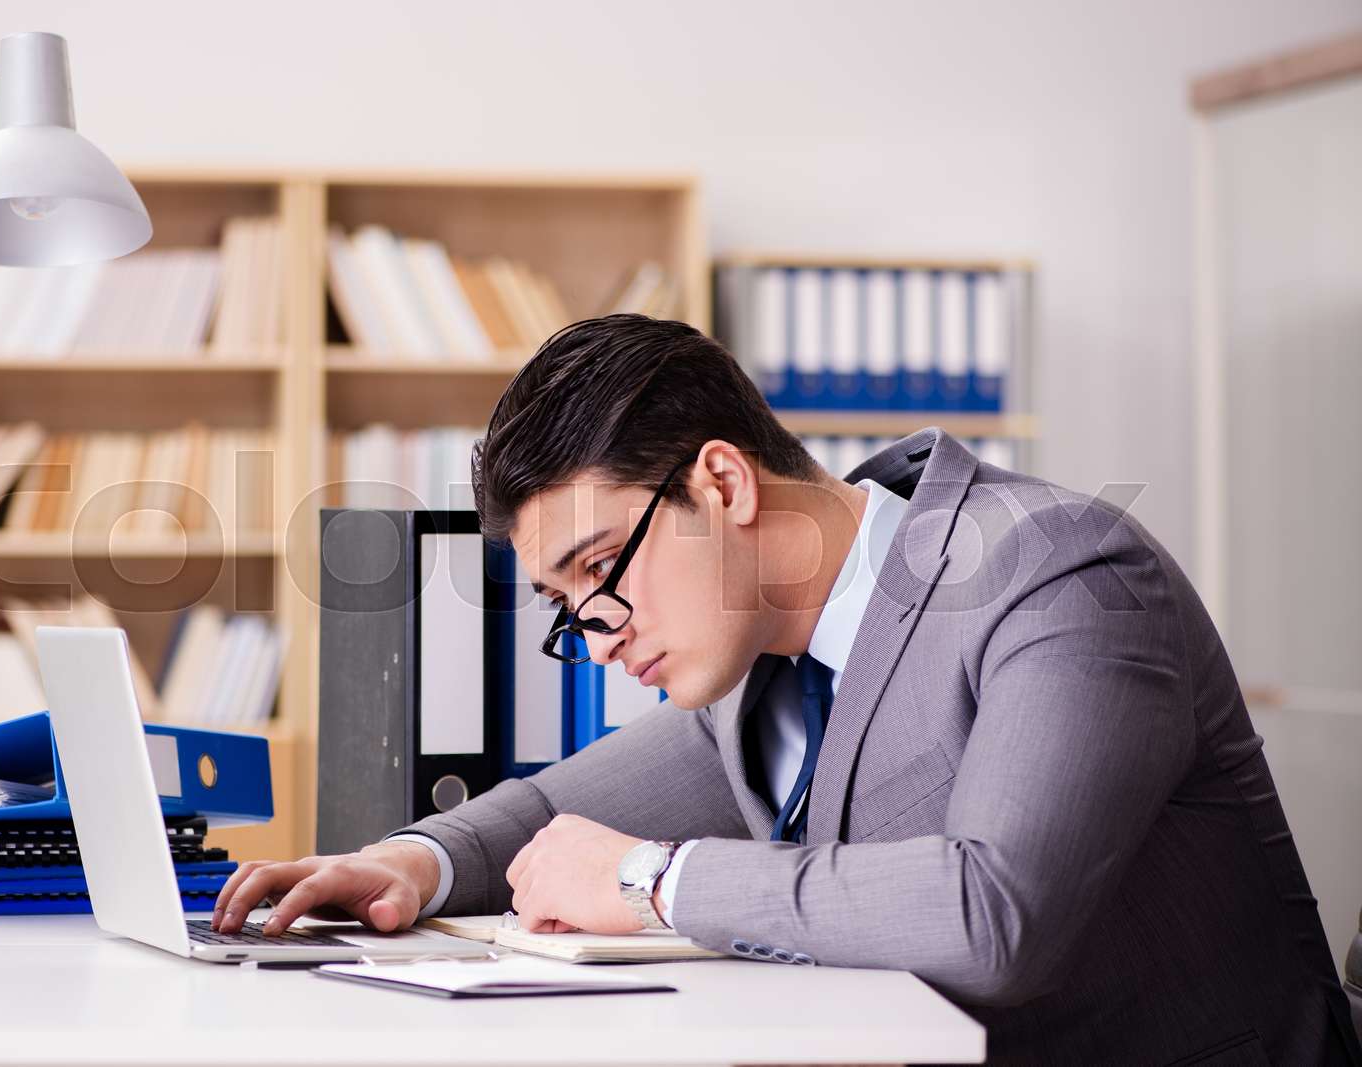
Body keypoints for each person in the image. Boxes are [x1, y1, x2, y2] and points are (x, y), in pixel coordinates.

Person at [214, 315, 1360, 1063]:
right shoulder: (759, 663)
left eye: (598, 572)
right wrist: (405, 860)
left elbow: (991, 913)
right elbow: (555, 808)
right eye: (568, 606)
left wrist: (648, 879)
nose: (598, 634)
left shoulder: (1053, 568)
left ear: (720, 479)